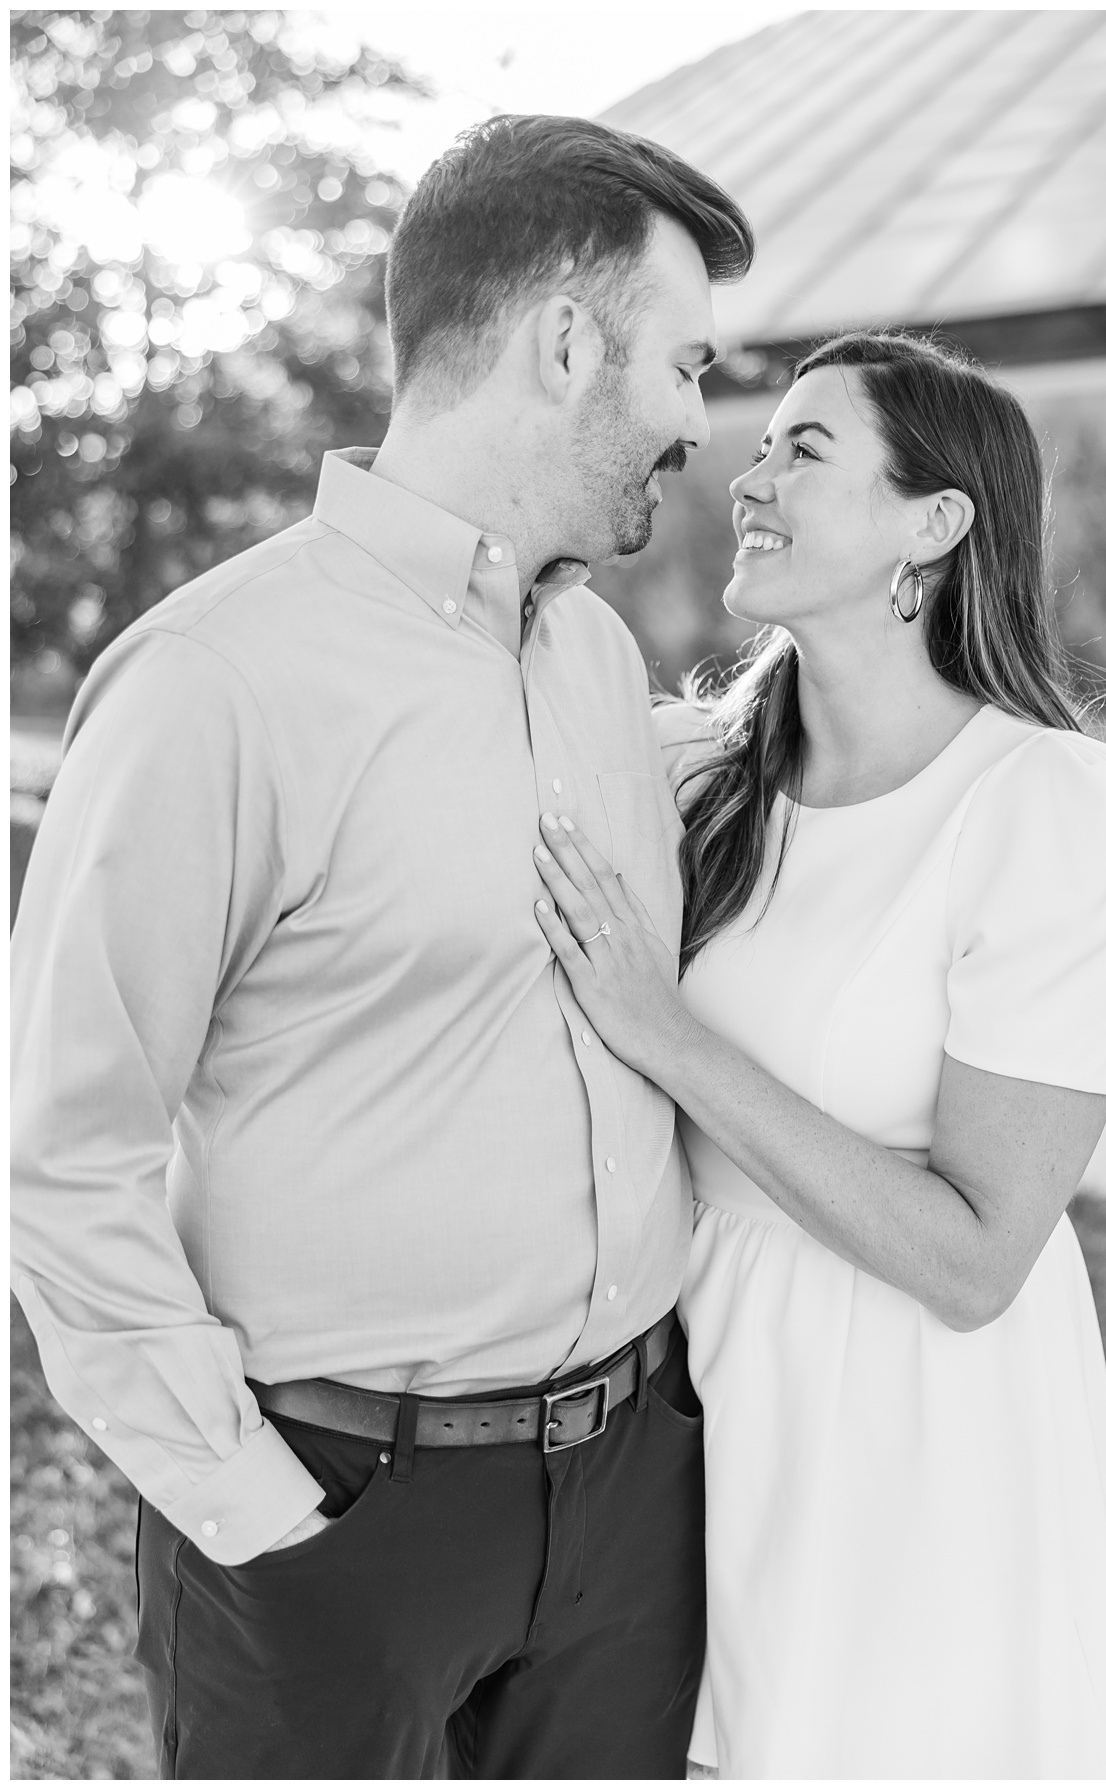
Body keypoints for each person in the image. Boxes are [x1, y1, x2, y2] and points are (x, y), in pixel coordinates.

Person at [10, 115, 754, 1779]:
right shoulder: (212, 682)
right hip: (331, 1516)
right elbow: (64, 1154)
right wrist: (255, 1504)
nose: (701, 424)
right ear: (568, 341)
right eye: (686, 366)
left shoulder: (589, 656)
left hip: (632, 1501)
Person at [529, 331, 1106, 1778]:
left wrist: (666, 1034)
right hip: (687, 1394)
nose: (749, 474)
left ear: (934, 524)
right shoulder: (700, 767)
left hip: (909, 1428)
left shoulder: (1043, 806)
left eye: (805, 449)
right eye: (762, 444)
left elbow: (976, 1255)